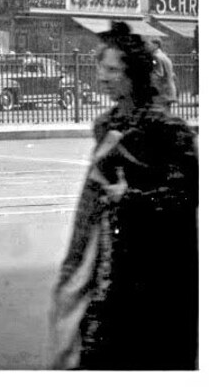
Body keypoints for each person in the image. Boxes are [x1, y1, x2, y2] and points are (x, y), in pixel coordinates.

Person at [48, 21, 197, 370]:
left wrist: (130, 198)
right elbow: (89, 203)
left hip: (158, 276)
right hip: (111, 271)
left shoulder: (168, 131)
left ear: (133, 76)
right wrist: (73, 265)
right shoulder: (107, 127)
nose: (101, 76)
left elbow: (185, 196)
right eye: (101, 67)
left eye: (111, 69)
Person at [147, 35, 177, 112]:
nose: (148, 47)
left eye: (149, 45)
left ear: (156, 45)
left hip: (161, 93)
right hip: (168, 91)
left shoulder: (155, 57)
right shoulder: (164, 56)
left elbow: (158, 74)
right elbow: (172, 74)